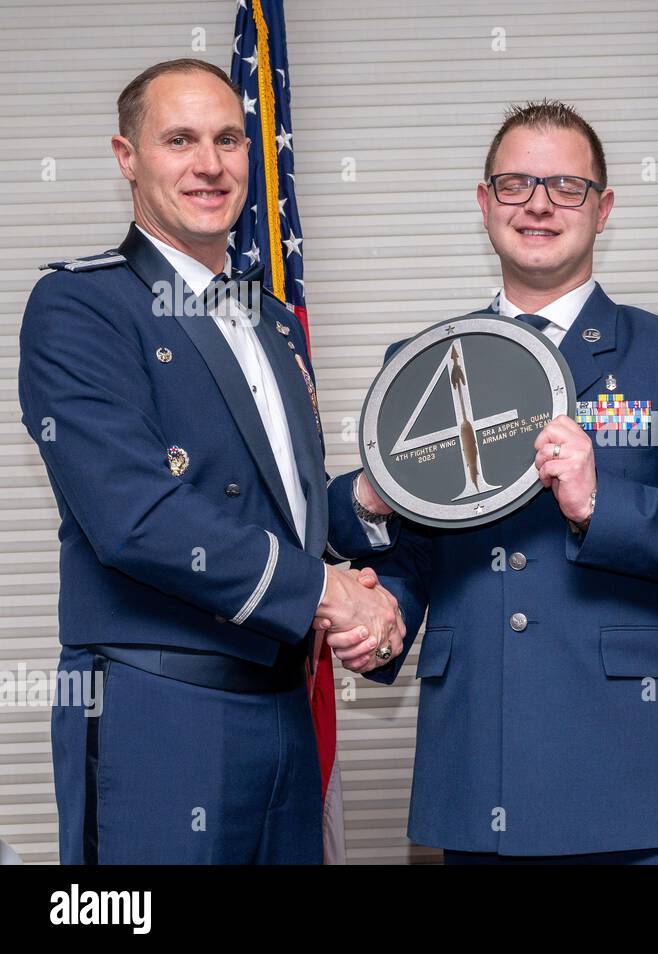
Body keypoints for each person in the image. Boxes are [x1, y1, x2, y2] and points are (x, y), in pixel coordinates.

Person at [320, 100, 658, 864]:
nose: (538, 203)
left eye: (567, 186)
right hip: (477, 780)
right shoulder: (424, 363)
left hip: (639, 793)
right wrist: (383, 614)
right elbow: (414, 557)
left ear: (604, 210)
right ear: (483, 203)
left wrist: (601, 503)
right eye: (515, 184)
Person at [18, 58, 403, 864]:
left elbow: (273, 513)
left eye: (229, 139)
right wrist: (324, 591)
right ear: (128, 157)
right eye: (180, 139)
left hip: (281, 713)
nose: (210, 164)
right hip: (158, 714)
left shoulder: (269, 321)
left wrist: (367, 500)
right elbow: (135, 516)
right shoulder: (81, 305)